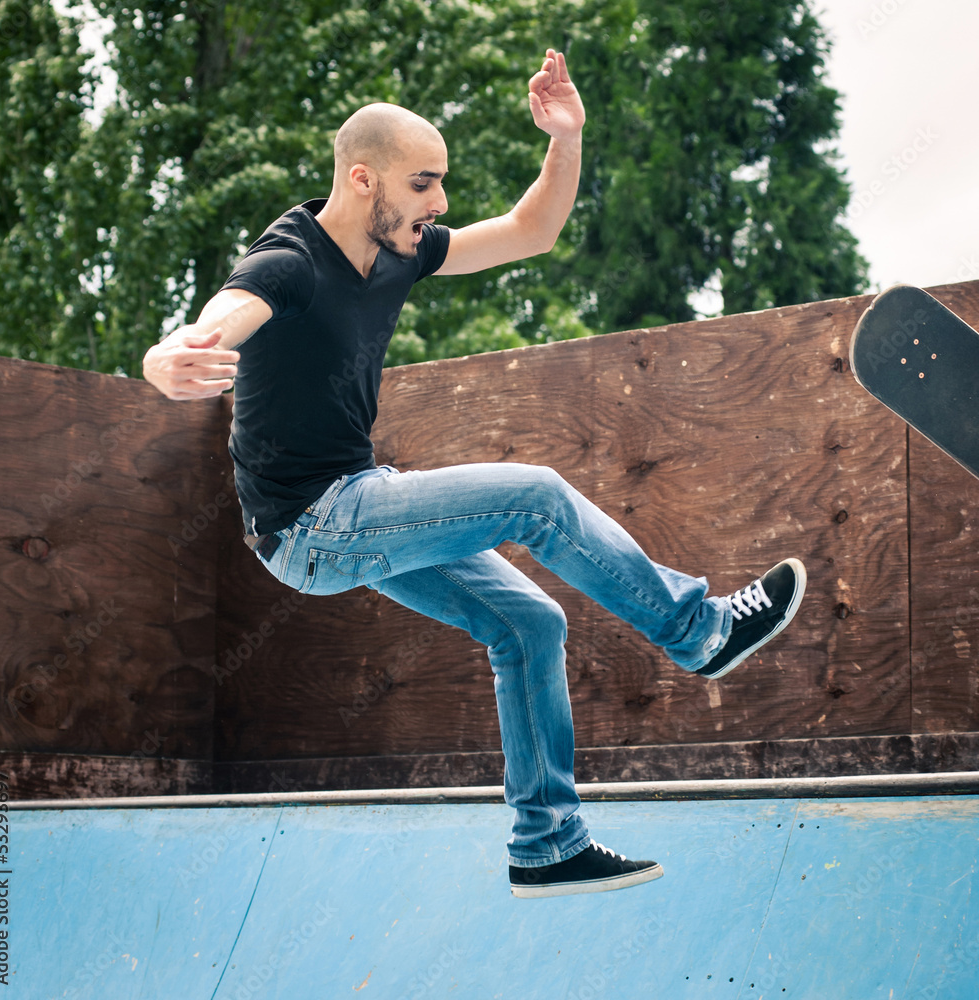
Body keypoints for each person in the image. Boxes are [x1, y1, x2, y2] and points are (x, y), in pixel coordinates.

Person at [143, 49, 806, 898]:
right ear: (362, 180)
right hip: (312, 525)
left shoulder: (400, 252)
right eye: (424, 184)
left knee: (529, 626)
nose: (441, 204)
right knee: (534, 495)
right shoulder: (290, 260)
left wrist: (565, 138)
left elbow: (532, 232)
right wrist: (173, 353)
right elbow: (224, 315)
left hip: (357, 505)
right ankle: (698, 631)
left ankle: (546, 843)